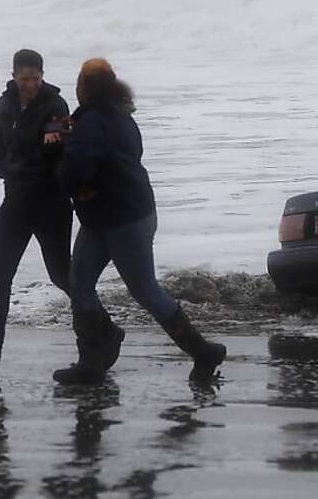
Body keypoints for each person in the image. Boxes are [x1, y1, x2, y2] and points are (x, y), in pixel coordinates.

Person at [53, 57, 226, 384]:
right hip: (111, 215)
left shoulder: (91, 123)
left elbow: (80, 170)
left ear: (84, 88)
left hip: (124, 220)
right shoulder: (121, 116)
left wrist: (62, 172)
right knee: (80, 283)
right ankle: (90, 362)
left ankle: (203, 352)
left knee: (145, 290)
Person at [0, 49, 124, 372]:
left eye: (36, 78)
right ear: (14, 76)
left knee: (61, 275)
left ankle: (108, 330)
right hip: (15, 201)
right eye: (25, 79)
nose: (31, 85)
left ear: (42, 76)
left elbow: (53, 156)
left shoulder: (55, 106)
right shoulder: (4, 105)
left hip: (50, 203)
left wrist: (5, 167)